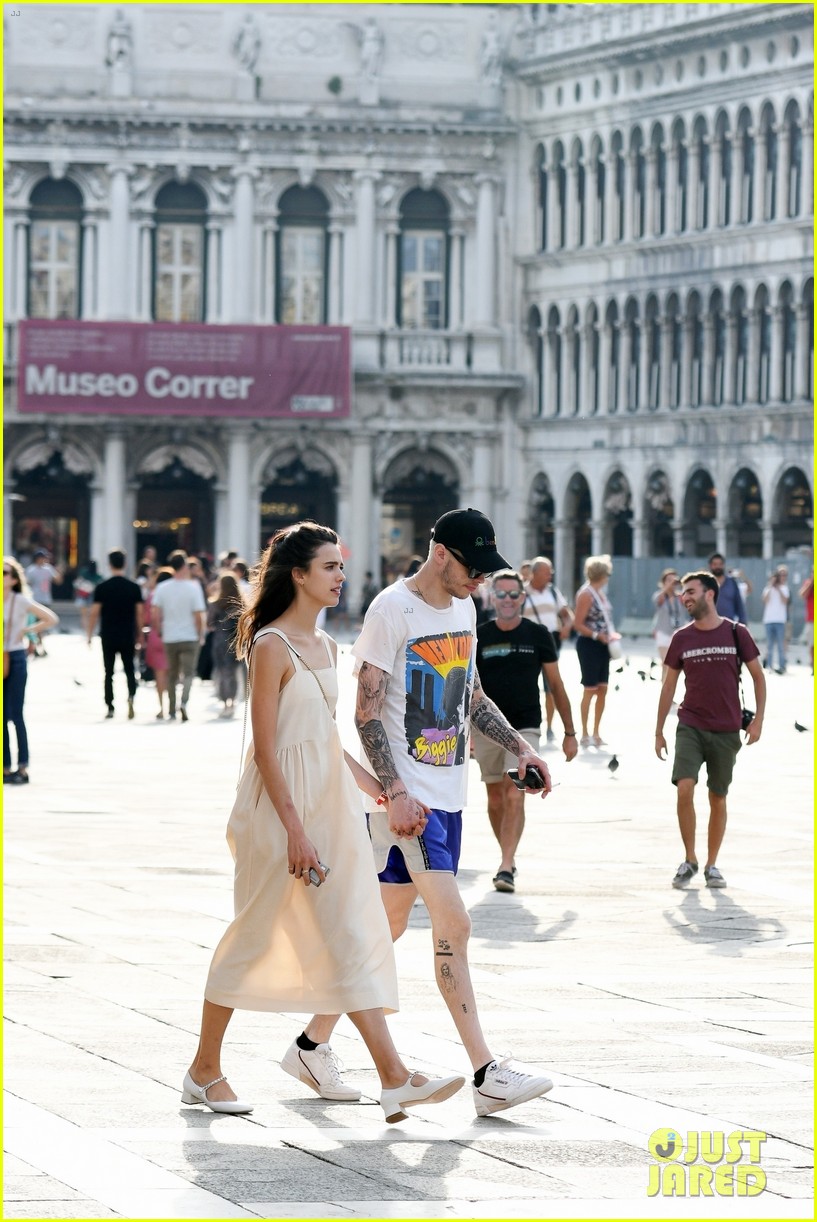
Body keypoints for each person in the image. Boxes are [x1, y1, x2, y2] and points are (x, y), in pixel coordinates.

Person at [184, 522, 464, 1122]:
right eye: (331, 567)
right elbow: (267, 748)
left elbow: (327, 744)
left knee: (351, 933)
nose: (341, 576)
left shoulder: (329, 647)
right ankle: (204, 1070)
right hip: (281, 813)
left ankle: (394, 1078)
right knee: (254, 933)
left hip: (330, 807)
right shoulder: (270, 647)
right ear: (299, 575)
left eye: (341, 565)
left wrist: (383, 792)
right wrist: (295, 831)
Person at [288, 508, 556, 1119]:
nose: (479, 582)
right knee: (454, 925)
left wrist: (520, 746)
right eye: (472, 568)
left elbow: (472, 694)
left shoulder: (463, 608)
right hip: (409, 801)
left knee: (384, 927)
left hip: (449, 789)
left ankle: (310, 1045)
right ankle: (487, 1073)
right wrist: (394, 790)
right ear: (440, 553)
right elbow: (364, 713)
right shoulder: (391, 611)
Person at [655, 570, 766, 890]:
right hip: (690, 725)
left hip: (727, 729)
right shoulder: (681, 637)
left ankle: (712, 864)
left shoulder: (736, 633)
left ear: (710, 594)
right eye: (682, 593)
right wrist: (659, 729)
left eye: (690, 591)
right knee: (684, 787)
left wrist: (758, 720)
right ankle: (689, 859)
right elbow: (667, 686)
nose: (684, 597)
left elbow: (758, 676)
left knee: (718, 796)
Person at [473, 569, 578, 892]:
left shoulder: (538, 634)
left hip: (525, 725)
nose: (507, 600)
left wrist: (570, 732)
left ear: (522, 597)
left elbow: (556, 684)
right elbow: (466, 687)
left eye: (513, 595)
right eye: (500, 594)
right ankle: (508, 855)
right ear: (492, 598)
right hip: (486, 727)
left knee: (513, 791)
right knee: (494, 797)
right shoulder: (479, 635)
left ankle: (506, 865)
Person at [4, 557, 59, 784]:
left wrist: (27, 630)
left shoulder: (20, 600)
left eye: (5, 573)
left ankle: (23, 765)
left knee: (17, 714)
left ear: (14, 579)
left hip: (15, 657)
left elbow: (51, 618)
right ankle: (5, 766)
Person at [86, 549, 144, 720]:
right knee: (129, 669)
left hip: (108, 634)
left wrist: (89, 634)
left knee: (108, 671)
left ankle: (110, 705)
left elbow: (94, 613)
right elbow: (139, 613)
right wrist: (140, 634)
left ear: (109, 564)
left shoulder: (102, 587)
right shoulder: (133, 587)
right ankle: (131, 696)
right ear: (125, 564)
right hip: (128, 633)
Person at [522, 556, 574, 743]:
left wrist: (567, 626)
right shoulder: (522, 593)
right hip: (527, 643)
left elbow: (567, 614)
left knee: (551, 685)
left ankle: (550, 726)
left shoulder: (553, 591)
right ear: (535, 573)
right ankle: (529, 723)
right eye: (546, 572)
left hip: (550, 642)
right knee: (528, 684)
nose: (550, 575)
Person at [150, 550, 206, 722]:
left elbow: (155, 613)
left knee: (172, 675)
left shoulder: (162, 587)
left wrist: (159, 629)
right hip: (189, 636)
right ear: (185, 565)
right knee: (188, 673)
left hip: (170, 636)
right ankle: (184, 702)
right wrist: (200, 634)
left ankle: (172, 708)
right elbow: (198, 615)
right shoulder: (193, 587)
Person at [572, 554, 619, 748]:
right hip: (589, 645)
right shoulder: (586, 594)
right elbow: (578, 624)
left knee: (603, 689)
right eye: (607, 573)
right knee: (589, 689)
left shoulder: (600, 593)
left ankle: (597, 733)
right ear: (601, 574)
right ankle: (584, 733)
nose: (609, 576)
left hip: (603, 645)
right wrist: (597, 635)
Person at [207, 572, 242, 718]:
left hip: (219, 641)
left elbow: (209, 623)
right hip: (235, 641)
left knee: (221, 672)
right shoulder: (240, 604)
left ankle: (224, 702)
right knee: (232, 673)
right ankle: (232, 702)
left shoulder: (216, 604)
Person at [143, 567, 172, 719]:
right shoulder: (175, 594)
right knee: (172, 673)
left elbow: (149, 617)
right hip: (173, 634)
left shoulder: (153, 595)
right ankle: (172, 704)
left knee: (159, 674)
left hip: (156, 635)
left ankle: (162, 707)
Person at [652, 567, 687, 678]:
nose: (672, 582)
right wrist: (668, 586)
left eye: (674, 580)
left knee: (678, 665)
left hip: (678, 633)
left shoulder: (680, 597)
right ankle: (664, 688)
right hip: (663, 632)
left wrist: (682, 584)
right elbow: (657, 601)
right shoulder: (660, 596)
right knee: (665, 663)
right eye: (669, 580)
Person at [761, 565, 790, 674]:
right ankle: (769, 666)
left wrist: (778, 588)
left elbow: (785, 601)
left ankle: (782, 666)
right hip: (768, 620)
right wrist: (771, 585)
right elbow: (765, 600)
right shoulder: (768, 588)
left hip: (780, 620)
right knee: (769, 645)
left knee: (781, 645)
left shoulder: (784, 588)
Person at [708, 553, 747, 624]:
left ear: (723, 565)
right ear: (710, 566)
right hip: (708, 625)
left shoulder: (731, 583)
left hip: (728, 625)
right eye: (715, 564)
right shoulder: (705, 583)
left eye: (720, 564)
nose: (718, 567)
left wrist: (743, 623)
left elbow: (739, 604)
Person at [799, 569, 813, 673]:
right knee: (812, 644)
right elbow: (802, 594)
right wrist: (812, 581)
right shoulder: (809, 583)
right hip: (812, 620)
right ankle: (813, 665)